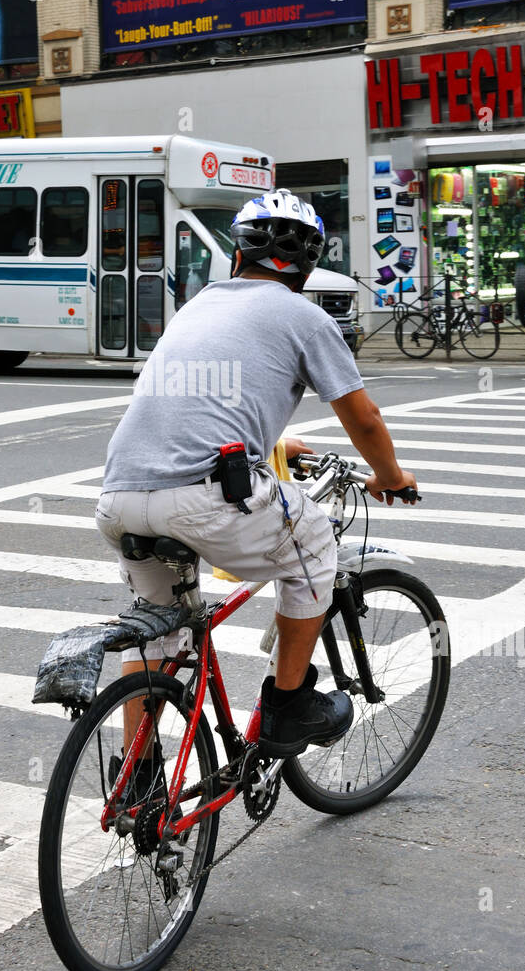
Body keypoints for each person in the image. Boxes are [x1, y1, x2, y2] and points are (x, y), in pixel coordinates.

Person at [96, 190, 419, 759]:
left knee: (162, 629)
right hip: (200, 499)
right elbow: (362, 417)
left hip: (120, 495)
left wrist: (271, 443)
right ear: (308, 264)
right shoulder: (304, 316)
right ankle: (287, 706)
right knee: (315, 542)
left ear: (236, 253)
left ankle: (138, 778)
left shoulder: (198, 307)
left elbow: (202, 407)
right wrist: (390, 476)